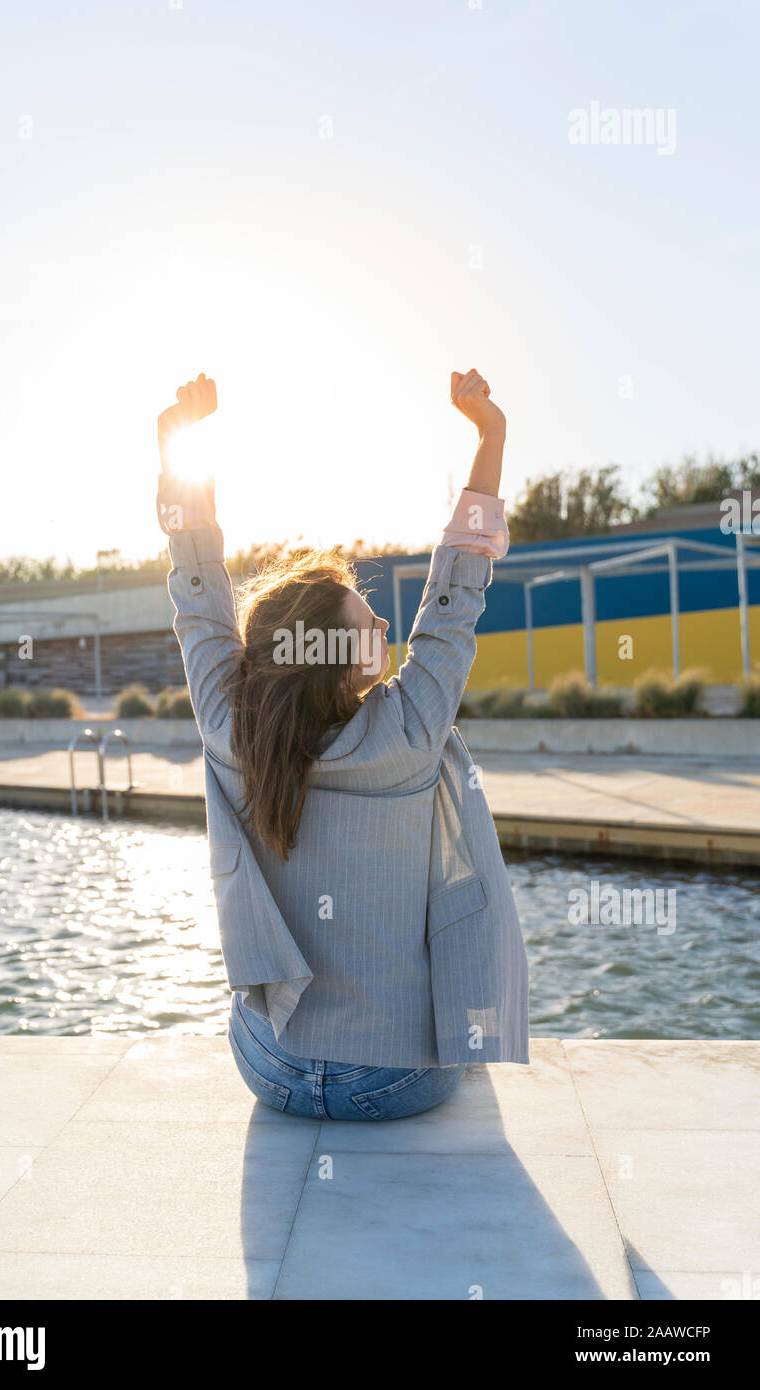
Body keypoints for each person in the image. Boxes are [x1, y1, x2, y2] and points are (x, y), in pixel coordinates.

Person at [156, 367, 528, 1121]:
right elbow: (456, 587)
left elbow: (198, 589)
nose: (390, 629)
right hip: (396, 1082)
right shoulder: (411, 728)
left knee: (257, 1015)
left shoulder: (231, 729)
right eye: (370, 623)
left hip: (273, 1070)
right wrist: (490, 437)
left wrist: (177, 447)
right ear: (329, 651)